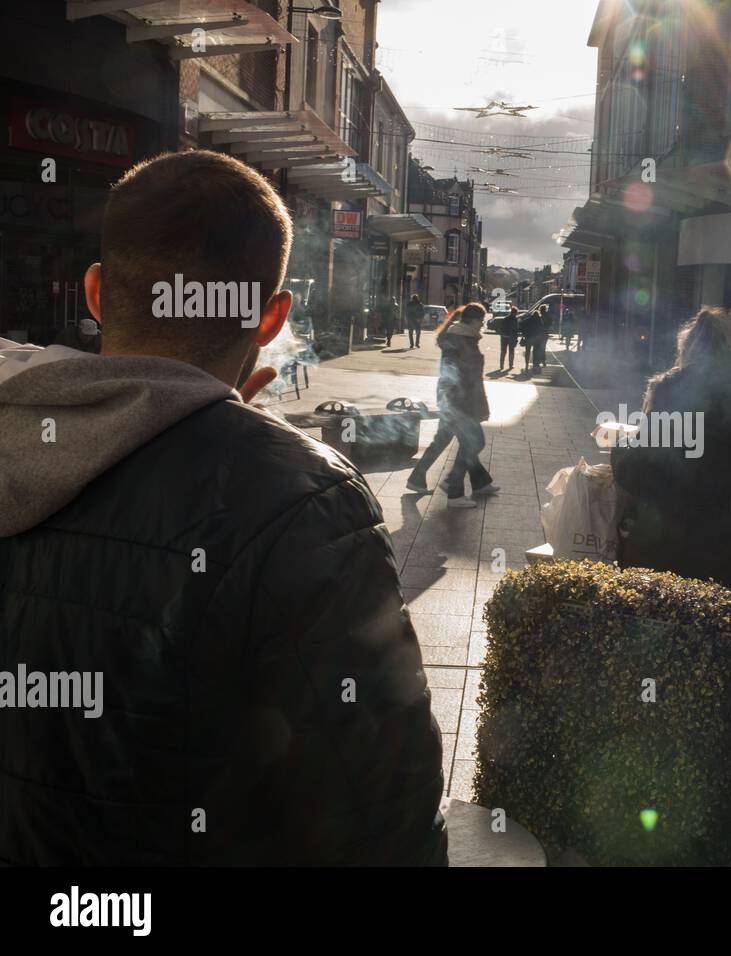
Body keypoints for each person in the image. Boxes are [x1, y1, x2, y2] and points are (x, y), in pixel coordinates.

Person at [0, 149, 446, 865]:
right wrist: (242, 447)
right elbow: (384, 809)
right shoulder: (307, 505)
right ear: (271, 317)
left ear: (95, 293)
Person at [611, 307, 731, 588]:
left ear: (689, 346)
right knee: (706, 610)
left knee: (656, 610)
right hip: (715, 537)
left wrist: (621, 450)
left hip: (662, 535)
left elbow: (638, 469)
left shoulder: (670, 389)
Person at [406, 302, 500, 508]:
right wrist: (461, 403)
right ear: (473, 320)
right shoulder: (462, 339)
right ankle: (453, 489)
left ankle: (476, 482)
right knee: (474, 442)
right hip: (460, 403)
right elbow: (461, 376)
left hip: (455, 400)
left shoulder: (461, 337)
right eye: (481, 321)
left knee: (448, 440)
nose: (482, 324)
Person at [518, 305, 542, 373]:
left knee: (527, 351)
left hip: (528, 337)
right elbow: (541, 328)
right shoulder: (539, 320)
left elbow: (521, 323)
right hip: (536, 338)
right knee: (535, 352)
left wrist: (524, 332)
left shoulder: (528, 319)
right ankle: (534, 364)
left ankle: (526, 363)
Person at [498, 304, 519, 371]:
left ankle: (501, 365)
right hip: (511, 337)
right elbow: (516, 330)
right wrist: (516, 339)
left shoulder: (506, 318)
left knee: (503, 351)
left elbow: (501, 327)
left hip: (504, 337)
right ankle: (510, 365)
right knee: (511, 351)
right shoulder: (515, 319)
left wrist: (502, 334)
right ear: (515, 313)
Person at [532, 303, 551, 371]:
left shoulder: (540, 317)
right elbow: (550, 324)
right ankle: (543, 361)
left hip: (539, 334)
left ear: (540, 310)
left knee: (537, 348)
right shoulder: (548, 316)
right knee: (543, 348)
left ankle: (537, 361)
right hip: (545, 334)